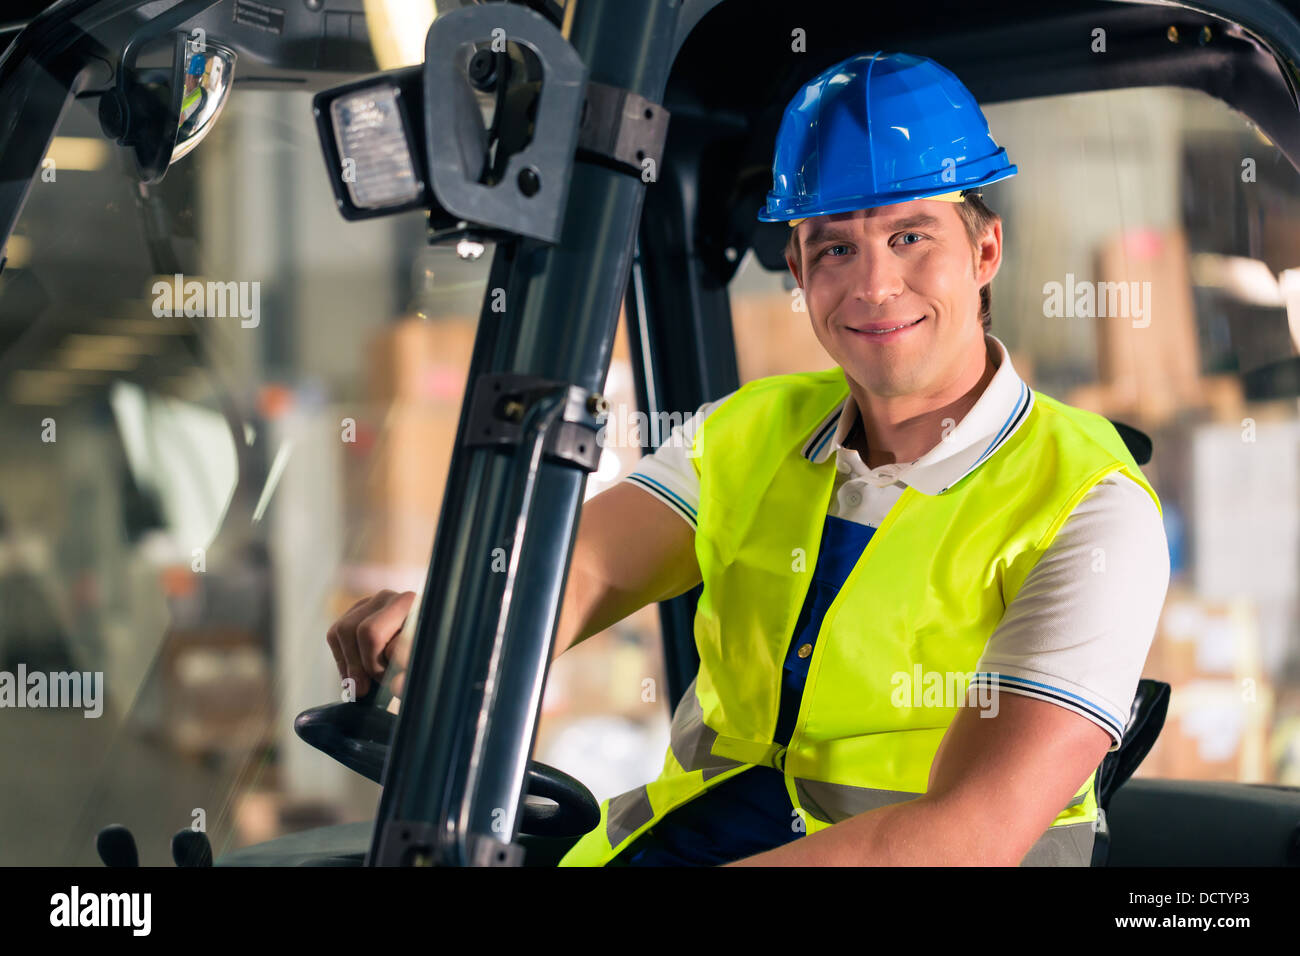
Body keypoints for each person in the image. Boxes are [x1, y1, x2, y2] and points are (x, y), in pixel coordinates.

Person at [326, 50, 1170, 866]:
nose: (875, 285)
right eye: (836, 248)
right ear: (797, 268)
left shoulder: (1092, 505)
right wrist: (450, 626)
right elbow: (576, 573)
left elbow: (968, 838)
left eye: (912, 236)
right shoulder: (751, 430)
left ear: (983, 253)